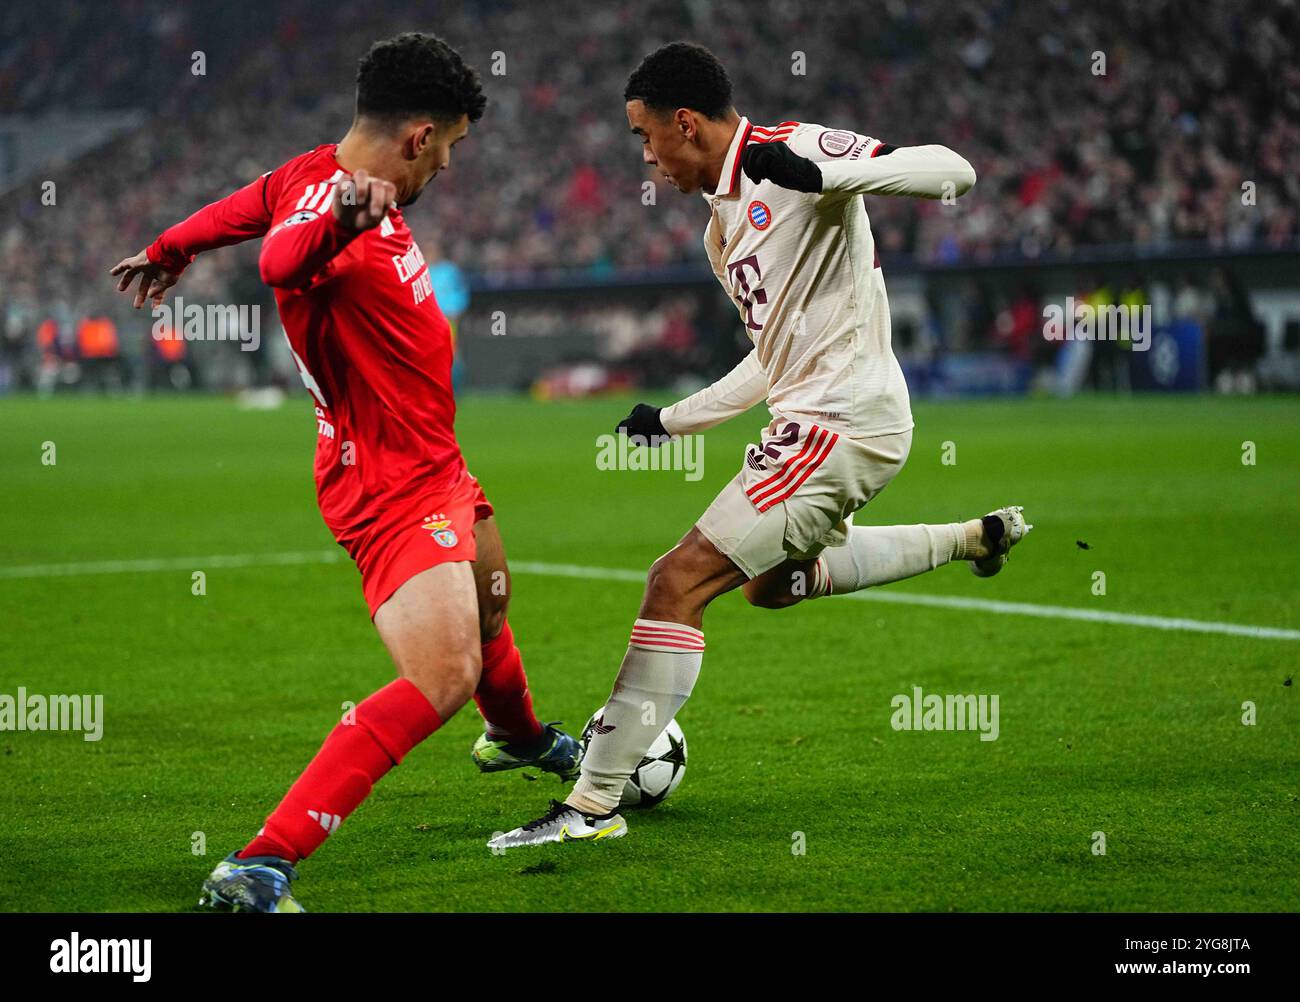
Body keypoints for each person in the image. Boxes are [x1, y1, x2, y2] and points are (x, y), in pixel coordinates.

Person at [489, 42, 1031, 850]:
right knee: (772, 587)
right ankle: (971, 538)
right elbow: (771, 356)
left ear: (685, 123)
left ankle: (591, 803)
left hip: (841, 422)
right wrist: (671, 421)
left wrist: (826, 174)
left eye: (645, 137)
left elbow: (953, 171)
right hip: (814, 421)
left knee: (676, 582)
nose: (645, 156)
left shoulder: (793, 150)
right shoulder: (721, 229)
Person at [110, 32, 581, 910]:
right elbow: (279, 258)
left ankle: (518, 737)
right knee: (442, 675)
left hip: (434, 459)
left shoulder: (312, 172)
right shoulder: (332, 210)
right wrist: (340, 222)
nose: (446, 165)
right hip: (388, 483)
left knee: (490, 596)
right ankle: (258, 861)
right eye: (448, 147)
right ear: (418, 136)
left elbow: (247, 205)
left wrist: (172, 246)